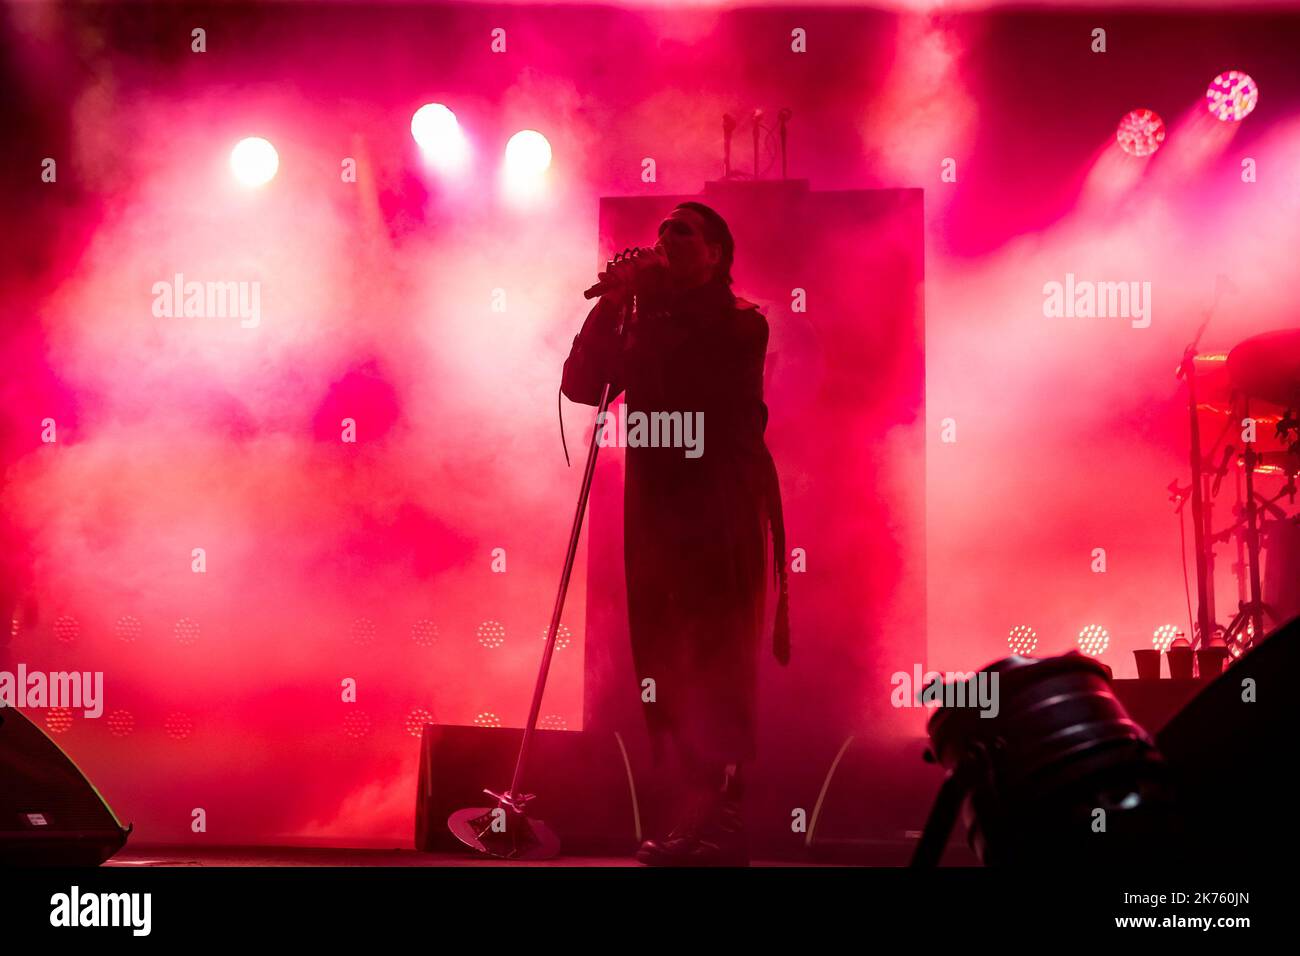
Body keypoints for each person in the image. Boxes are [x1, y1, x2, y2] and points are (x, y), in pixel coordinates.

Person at [561, 201, 789, 866]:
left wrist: (648, 305)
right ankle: (699, 813)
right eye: (661, 230)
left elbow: (697, 384)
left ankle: (719, 816)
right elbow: (581, 386)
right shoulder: (644, 315)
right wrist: (613, 306)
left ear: (716, 253)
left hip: (718, 508)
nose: (665, 238)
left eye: (683, 231)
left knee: (714, 659)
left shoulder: (741, 324)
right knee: (663, 657)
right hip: (656, 511)